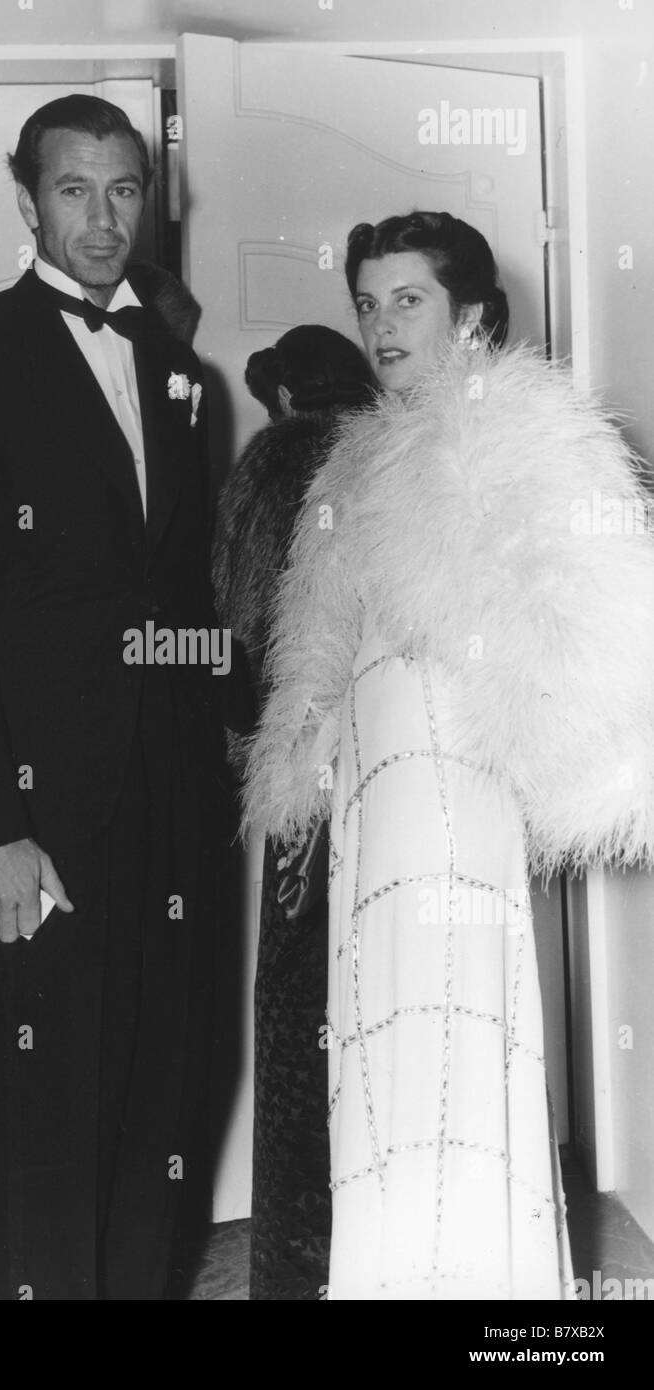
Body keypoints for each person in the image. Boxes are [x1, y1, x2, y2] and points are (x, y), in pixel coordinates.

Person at [245, 211, 654, 1300]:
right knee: (378, 1072)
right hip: (369, 814)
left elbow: (600, 630)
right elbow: (321, 660)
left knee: (460, 1069)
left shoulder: (522, 430)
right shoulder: (349, 466)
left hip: (453, 810)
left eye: (408, 300)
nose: (380, 325)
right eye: (368, 303)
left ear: (471, 312)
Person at [0, 95, 235, 1301]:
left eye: (125, 189)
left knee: (164, 1107)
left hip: (177, 814)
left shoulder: (185, 374)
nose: (103, 217)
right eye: (76, 189)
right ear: (25, 194)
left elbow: (186, 597)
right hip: (37, 819)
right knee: (46, 1120)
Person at [212, 324, 373, 1300]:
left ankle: (294, 1267)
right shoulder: (390, 451)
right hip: (393, 764)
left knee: (296, 1014)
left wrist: (240, 743)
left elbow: (235, 640)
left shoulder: (274, 465)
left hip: (303, 778)